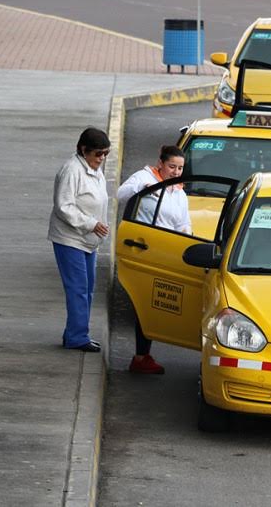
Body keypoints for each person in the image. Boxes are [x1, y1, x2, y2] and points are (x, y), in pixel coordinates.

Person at [117, 145, 191, 374]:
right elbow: (121, 194)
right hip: (145, 250)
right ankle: (141, 356)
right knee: (146, 304)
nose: (176, 172)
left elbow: (183, 225)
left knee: (161, 305)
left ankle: (143, 354)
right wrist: (142, 189)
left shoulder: (179, 193)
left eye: (180, 168)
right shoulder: (144, 178)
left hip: (167, 253)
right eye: (172, 166)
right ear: (160, 163)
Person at [48, 127, 111, 353]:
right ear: (84, 150)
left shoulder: (95, 170)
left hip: (89, 240)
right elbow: (63, 206)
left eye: (105, 154)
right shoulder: (71, 170)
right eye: (98, 153)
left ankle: (75, 332)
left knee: (88, 288)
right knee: (78, 288)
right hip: (70, 238)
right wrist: (90, 224)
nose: (101, 158)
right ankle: (77, 336)